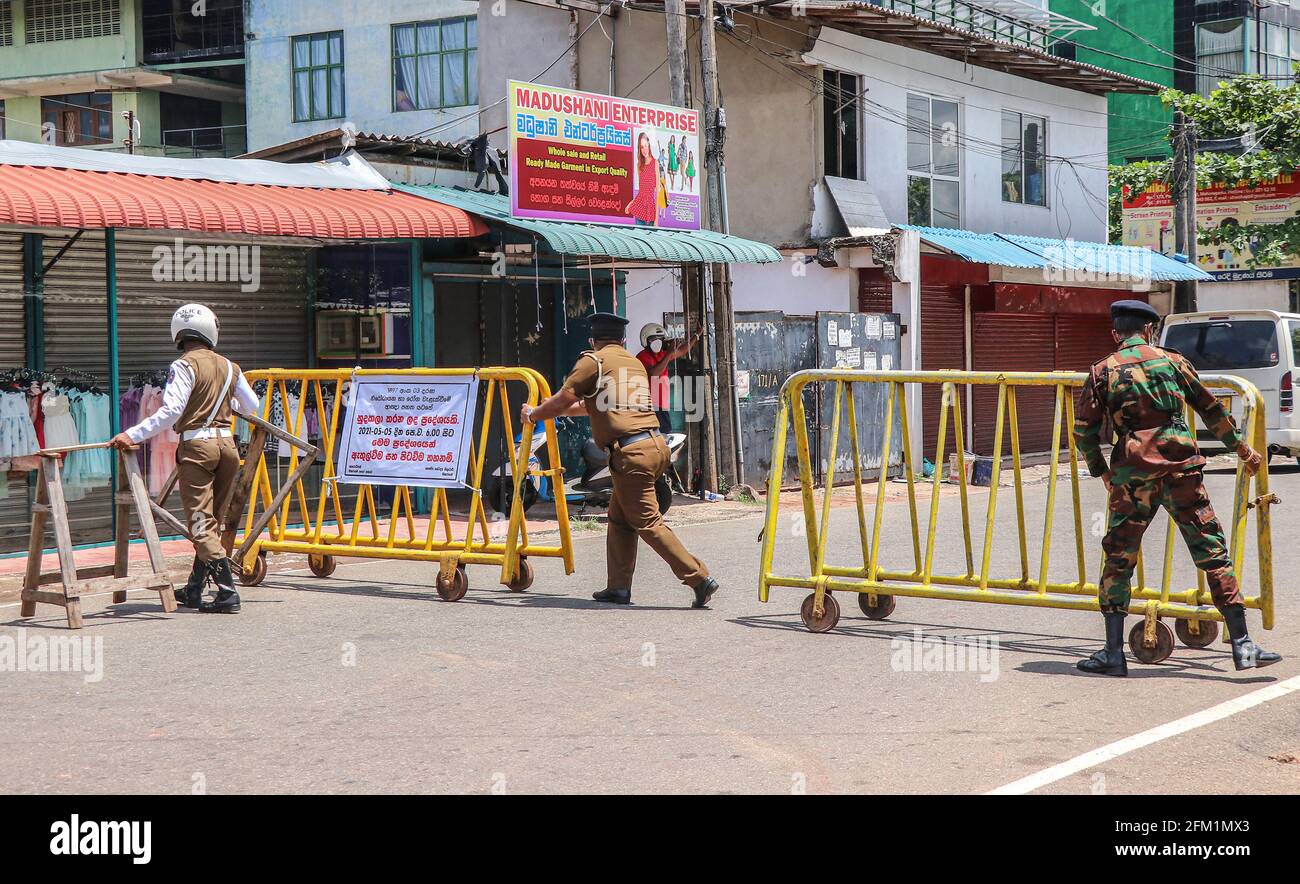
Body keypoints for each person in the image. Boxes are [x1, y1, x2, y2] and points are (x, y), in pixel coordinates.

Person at [1073, 300, 1279, 675]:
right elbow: (1211, 409)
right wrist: (1243, 449)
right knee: (1212, 552)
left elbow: (1083, 432)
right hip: (1182, 470)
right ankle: (1243, 645)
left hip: (1132, 476)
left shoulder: (1102, 371)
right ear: (1149, 330)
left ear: (1115, 334)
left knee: (1119, 560)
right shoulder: (1173, 361)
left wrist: (1102, 471)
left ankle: (1113, 654)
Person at [521, 312, 718, 608]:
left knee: (648, 522)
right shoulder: (632, 364)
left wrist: (534, 414)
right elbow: (589, 407)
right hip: (655, 445)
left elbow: (564, 398)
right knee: (619, 518)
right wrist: (556, 411)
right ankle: (618, 587)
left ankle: (699, 577)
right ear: (623, 340)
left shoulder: (594, 362)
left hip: (631, 454)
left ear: (593, 340)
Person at [111, 304, 260, 614]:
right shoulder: (231, 367)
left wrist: (133, 434)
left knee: (200, 523)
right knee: (211, 521)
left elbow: (171, 411)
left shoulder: (183, 365)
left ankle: (228, 592)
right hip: (228, 447)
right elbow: (251, 406)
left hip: (198, 448)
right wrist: (219, 403)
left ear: (178, 333)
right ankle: (194, 589)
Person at [635, 321, 701, 435]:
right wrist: (669, 352)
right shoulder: (642, 357)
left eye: (661, 340)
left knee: (664, 435)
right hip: (651, 406)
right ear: (647, 341)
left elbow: (682, 350)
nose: (659, 343)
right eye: (656, 340)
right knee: (661, 436)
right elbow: (654, 373)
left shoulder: (662, 355)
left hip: (661, 406)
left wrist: (697, 335)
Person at [625, 132, 659, 227]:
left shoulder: (655, 163)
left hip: (650, 210)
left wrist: (657, 219)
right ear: (639, 149)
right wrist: (630, 204)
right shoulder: (639, 165)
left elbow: (658, 193)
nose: (644, 149)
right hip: (640, 209)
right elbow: (641, 192)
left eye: (645, 145)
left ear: (649, 145)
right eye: (641, 147)